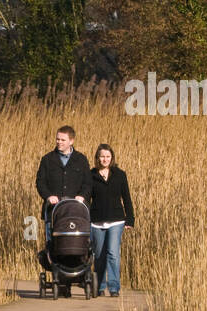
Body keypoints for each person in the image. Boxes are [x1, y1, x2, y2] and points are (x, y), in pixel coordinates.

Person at [35, 125, 92, 297]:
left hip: (76, 211)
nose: (59, 142)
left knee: (77, 243)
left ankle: (77, 277)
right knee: (55, 244)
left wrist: (82, 196)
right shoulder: (48, 159)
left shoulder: (81, 160)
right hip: (54, 211)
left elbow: (87, 183)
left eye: (62, 140)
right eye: (57, 139)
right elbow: (40, 182)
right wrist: (48, 196)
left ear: (71, 141)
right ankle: (60, 283)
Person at [88, 143, 134, 298]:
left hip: (116, 220)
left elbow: (126, 198)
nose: (105, 159)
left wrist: (130, 219)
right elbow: (87, 199)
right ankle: (99, 286)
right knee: (99, 254)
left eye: (108, 156)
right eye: (102, 156)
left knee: (113, 253)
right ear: (97, 158)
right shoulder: (91, 175)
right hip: (96, 221)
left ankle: (114, 288)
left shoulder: (120, 175)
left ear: (112, 158)